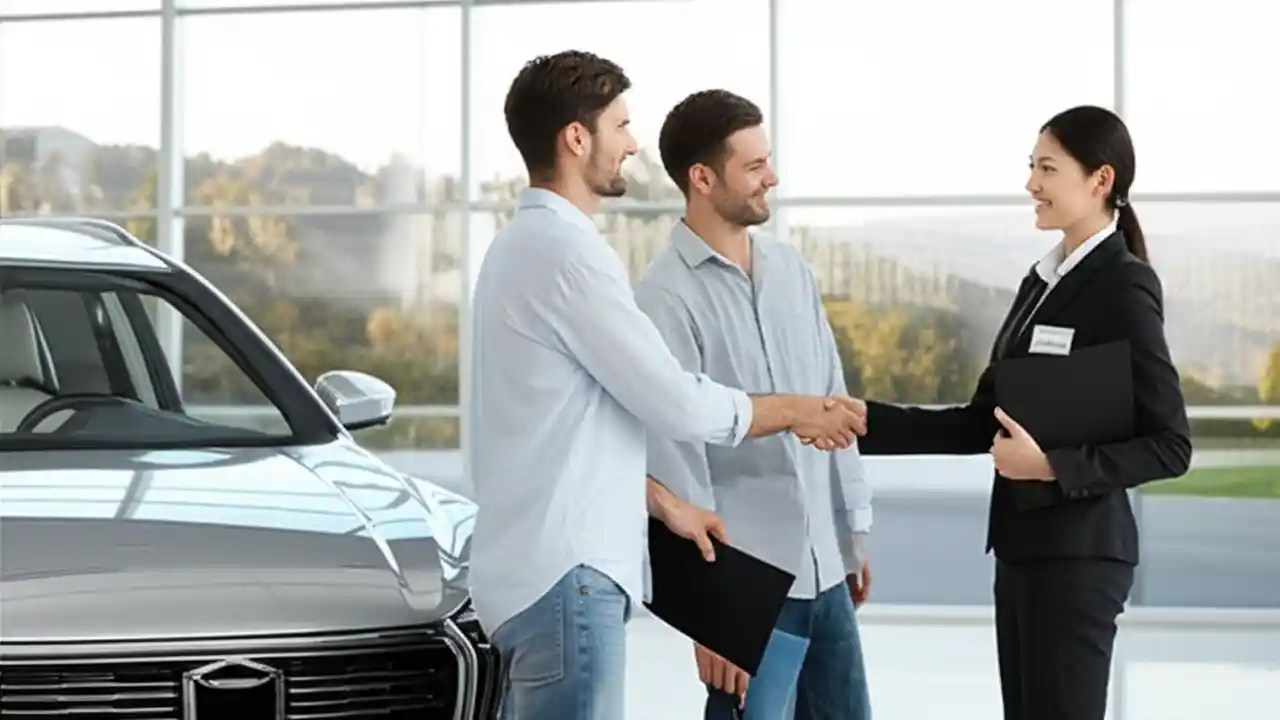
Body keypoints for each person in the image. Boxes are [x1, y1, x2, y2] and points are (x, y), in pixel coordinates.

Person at [468, 51, 868, 720]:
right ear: (576, 138)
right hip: (570, 577)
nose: (630, 143)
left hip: (549, 573)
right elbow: (675, 404)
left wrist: (663, 505)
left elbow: (576, 427)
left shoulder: (523, 247)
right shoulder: (571, 256)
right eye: (620, 125)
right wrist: (798, 411)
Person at [855, 105, 1191, 720]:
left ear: (1101, 180)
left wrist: (1051, 466)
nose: (1031, 184)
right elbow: (983, 421)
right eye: (1031, 167)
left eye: (1047, 168)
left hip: (1079, 558)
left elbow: (1170, 444)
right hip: (1024, 551)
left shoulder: (1122, 284)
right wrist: (858, 423)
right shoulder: (1040, 284)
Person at [635, 89, 873, 720]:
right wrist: (709, 611)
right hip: (750, 581)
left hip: (825, 570)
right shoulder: (664, 296)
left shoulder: (792, 271)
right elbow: (673, 453)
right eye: (753, 166)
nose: (772, 176)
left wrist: (853, 533)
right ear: (702, 178)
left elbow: (833, 401)